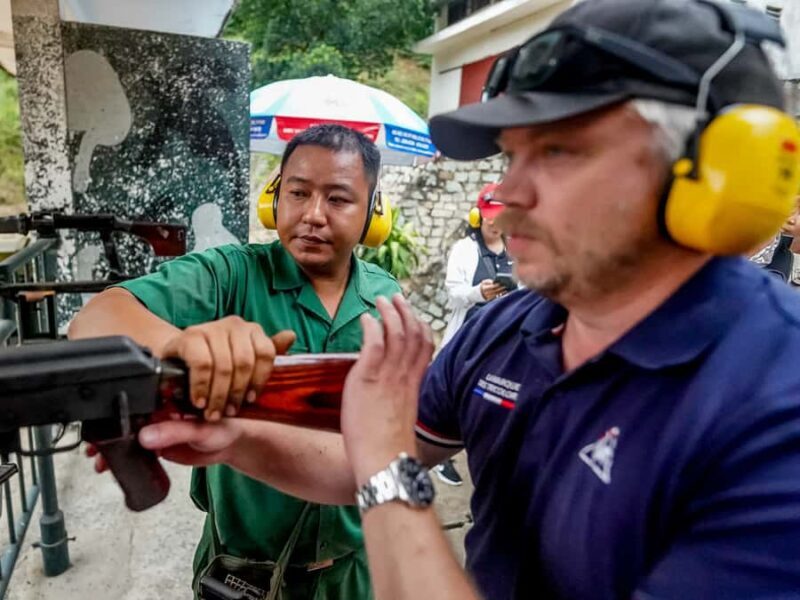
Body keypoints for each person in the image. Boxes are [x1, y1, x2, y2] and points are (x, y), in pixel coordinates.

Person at [94, 1, 800, 598]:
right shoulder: (504, 328)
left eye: (558, 153)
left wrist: (384, 467)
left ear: (714, 176)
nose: (508, 196)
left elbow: (380, 463)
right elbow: (371, 463)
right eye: (511, 157)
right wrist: (235, 441)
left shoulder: (776, 409)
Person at [70, 124, 400, 599]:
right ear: (274, 199)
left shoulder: (387, 299)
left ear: (373, 213)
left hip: (355, 573)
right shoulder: (232, 274)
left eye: (338, 199)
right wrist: (177, 345)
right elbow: (98, 316)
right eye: (298, 193)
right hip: (240, 573)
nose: (312, 215)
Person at [433, 183, 512, 486]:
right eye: (489, 214)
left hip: (502, 345)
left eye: (500, 214)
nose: (494, 221)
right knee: (449, 404)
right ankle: (440, 458)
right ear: (477, 215)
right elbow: (453, 294)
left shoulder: (516, 250)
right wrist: (479, 292)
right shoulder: (465, 249)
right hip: (466, 343)